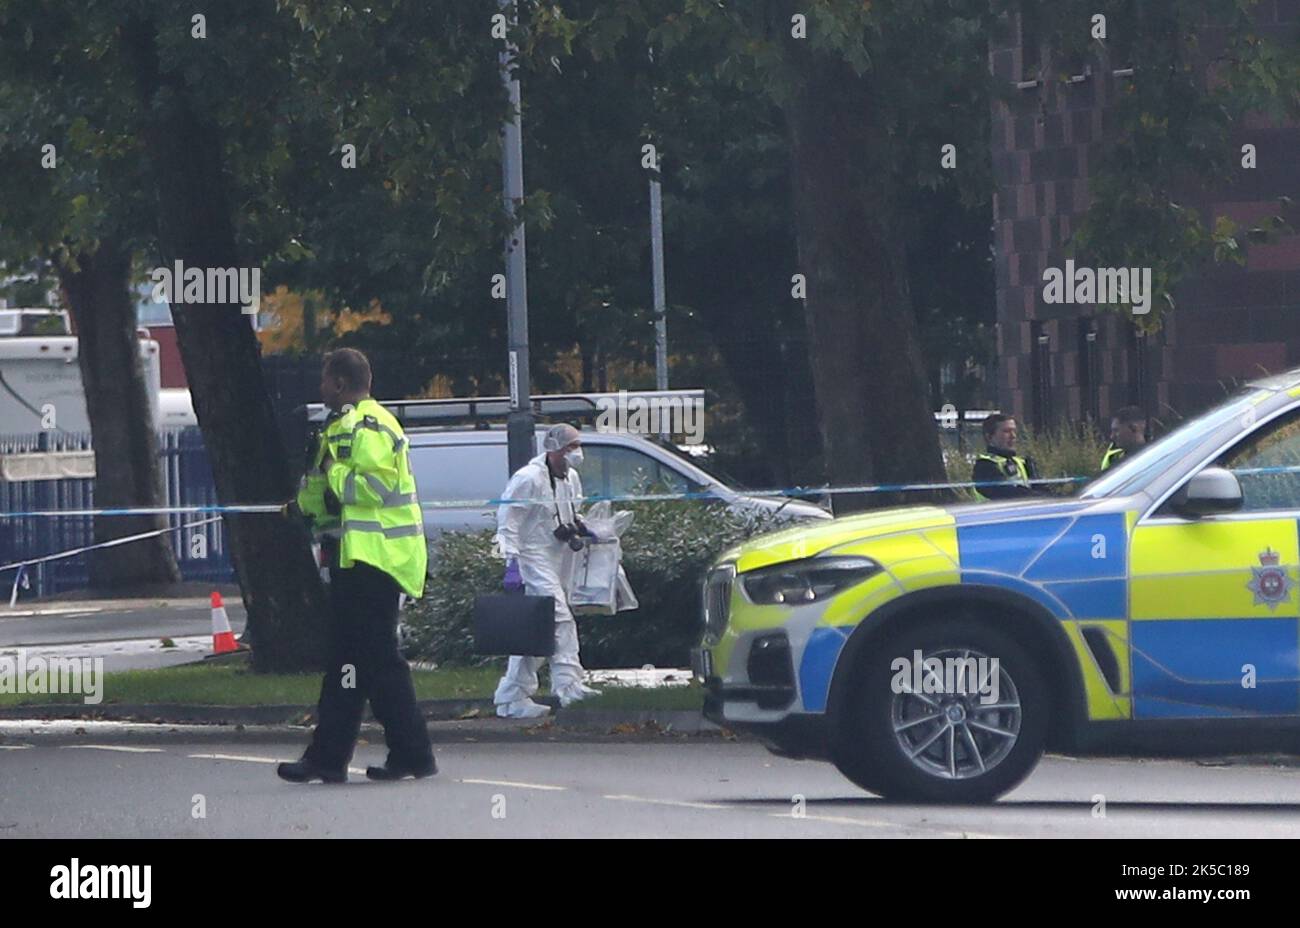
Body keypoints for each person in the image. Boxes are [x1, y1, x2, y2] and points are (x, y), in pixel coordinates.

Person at [278, 348, 435, 784]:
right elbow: (330, 498)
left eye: (325, 380)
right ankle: (339, 758)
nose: (320, 387)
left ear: (341, 383)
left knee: (376, 662)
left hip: (374, 560)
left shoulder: (367, 426)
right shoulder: (344, 426)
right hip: (358, 558)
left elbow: (372, 488)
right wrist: (302, 510)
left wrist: (332, 471)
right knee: (353, 662)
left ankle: (403, 753)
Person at [493, 423, 602, 719]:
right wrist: (511, 562)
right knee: (560, 619)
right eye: (570, 447)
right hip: (532, 556)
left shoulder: (571, 478)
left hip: (558, 556)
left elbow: (571, 512)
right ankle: (569, 686)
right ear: (553, 449)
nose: (576, 452)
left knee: (538, 629)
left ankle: (512, 697)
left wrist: (582, 526)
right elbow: (508, 521)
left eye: (577, 445)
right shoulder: (528, 479)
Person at [971, 413, 1040, 500]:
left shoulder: (1022, 462)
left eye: (1014, 431)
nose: (1013, 436)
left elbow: (1041, 488)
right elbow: (1007, 493)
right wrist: (1039, 496)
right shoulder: (984, 466)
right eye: (1006, 431)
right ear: (989, 437)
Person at [1101, 405, 1146, 471]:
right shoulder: (1116, 459)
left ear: (1134, 428)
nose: (1112, 436)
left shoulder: (1151, 461)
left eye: (1116, 430)